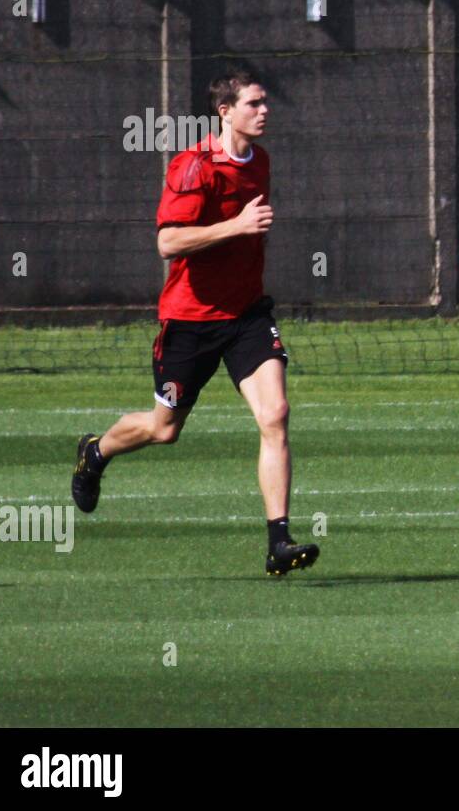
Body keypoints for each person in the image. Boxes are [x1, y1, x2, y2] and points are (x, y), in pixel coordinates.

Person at [70, 69, 318, 577]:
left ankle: (279, 542)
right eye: (253, 103)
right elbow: (168, 242)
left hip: (247, 316)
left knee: (275, 415)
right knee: (164, 431)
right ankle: (96, 451)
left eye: (266, 101)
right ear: (225, 111)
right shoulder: (193, 167)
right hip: (190, 321)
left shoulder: (261, 160)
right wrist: (237, 226)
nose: (264, 110)